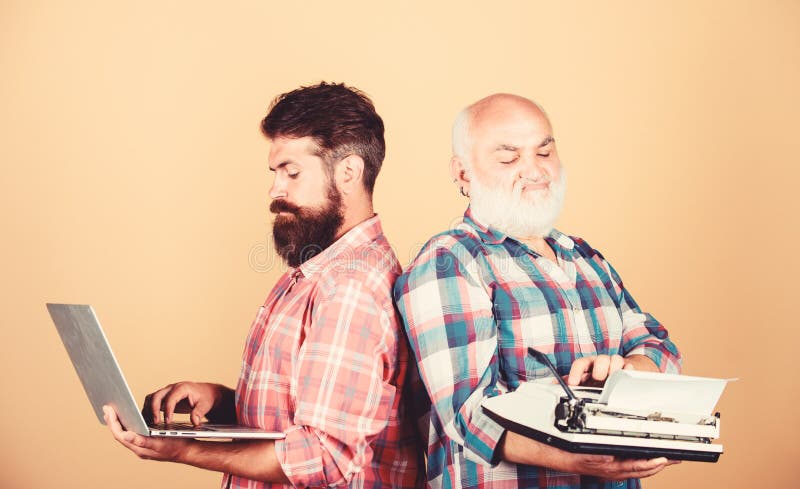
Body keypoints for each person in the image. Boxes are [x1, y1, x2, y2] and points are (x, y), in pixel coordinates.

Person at [103, 82, 424, 489]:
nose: (276, 189)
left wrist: (183, 450)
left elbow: (323, 455)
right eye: (275, 173)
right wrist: (222, 401)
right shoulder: (315, 271)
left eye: (292, 172)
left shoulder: (350, 288)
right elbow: (303, 414)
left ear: (349, 172)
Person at [393, 93, 683, 489]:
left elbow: (660, 349)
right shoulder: (449, 262)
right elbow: (470, 416)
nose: (534, 170)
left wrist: (627, 372)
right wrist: (580, 455)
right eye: (509, 159)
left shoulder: (585, 258)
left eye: (544, 152)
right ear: (463, 174)